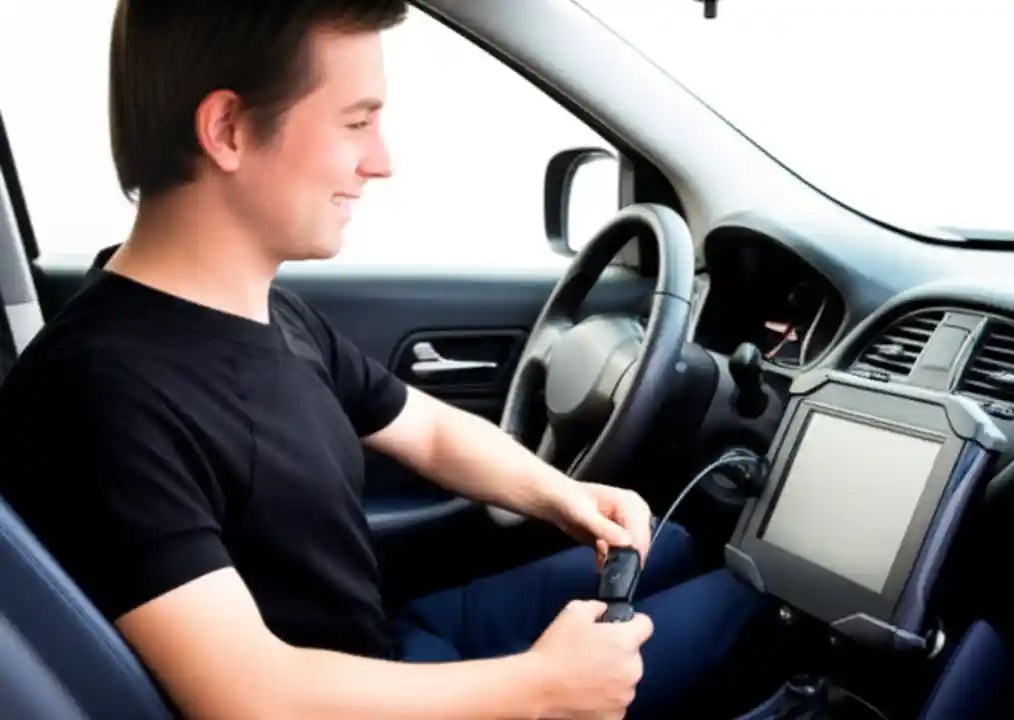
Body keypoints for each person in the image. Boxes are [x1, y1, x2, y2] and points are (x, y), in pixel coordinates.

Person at [0, 1, 774, 718]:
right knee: (756, 616)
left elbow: (427, 431)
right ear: (228, 129)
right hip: (349, 698)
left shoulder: (262, 307)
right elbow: (251, 696)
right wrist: (542, 687)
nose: (382, 161)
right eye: (356, 122)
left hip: (394, 645)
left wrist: (562, 496)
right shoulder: (98, 395)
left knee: (688, 548)